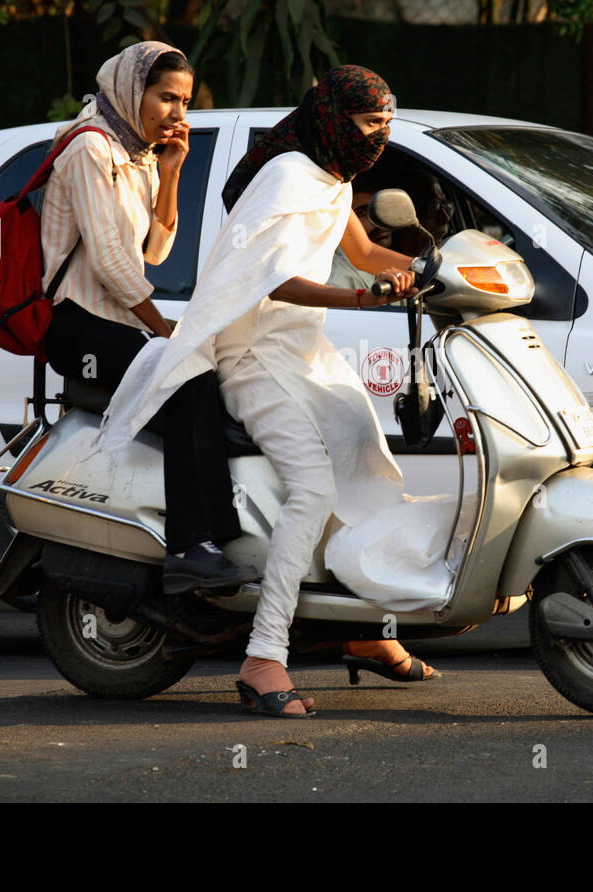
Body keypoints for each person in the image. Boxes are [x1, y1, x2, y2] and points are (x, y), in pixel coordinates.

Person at [99, 65, 438, 715]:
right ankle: (263, 658)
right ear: (336, 120)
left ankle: (366, 630)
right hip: (254, 354)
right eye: (371, 124)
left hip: (304, 352)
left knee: (369, 466)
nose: (380, 137)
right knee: (314, 488)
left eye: (387, 125)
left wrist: (439, 270)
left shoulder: (332, 177)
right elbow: (273, 282)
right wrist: (361, 300)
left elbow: (366, 254)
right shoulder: (285, 178)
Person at [40, 41, 253, 592]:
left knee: (202, 378)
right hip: (78, 326)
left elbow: (154, 251)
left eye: (184, 101)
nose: (177, 114)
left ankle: (217, 537)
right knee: (184, 381)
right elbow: (112, 263)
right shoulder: (89, 149)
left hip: (117, 323)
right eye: (165, 98)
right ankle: (189, 546)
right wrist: (165, 330)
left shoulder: (136, 155)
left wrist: (173, 171)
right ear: (133, 91)